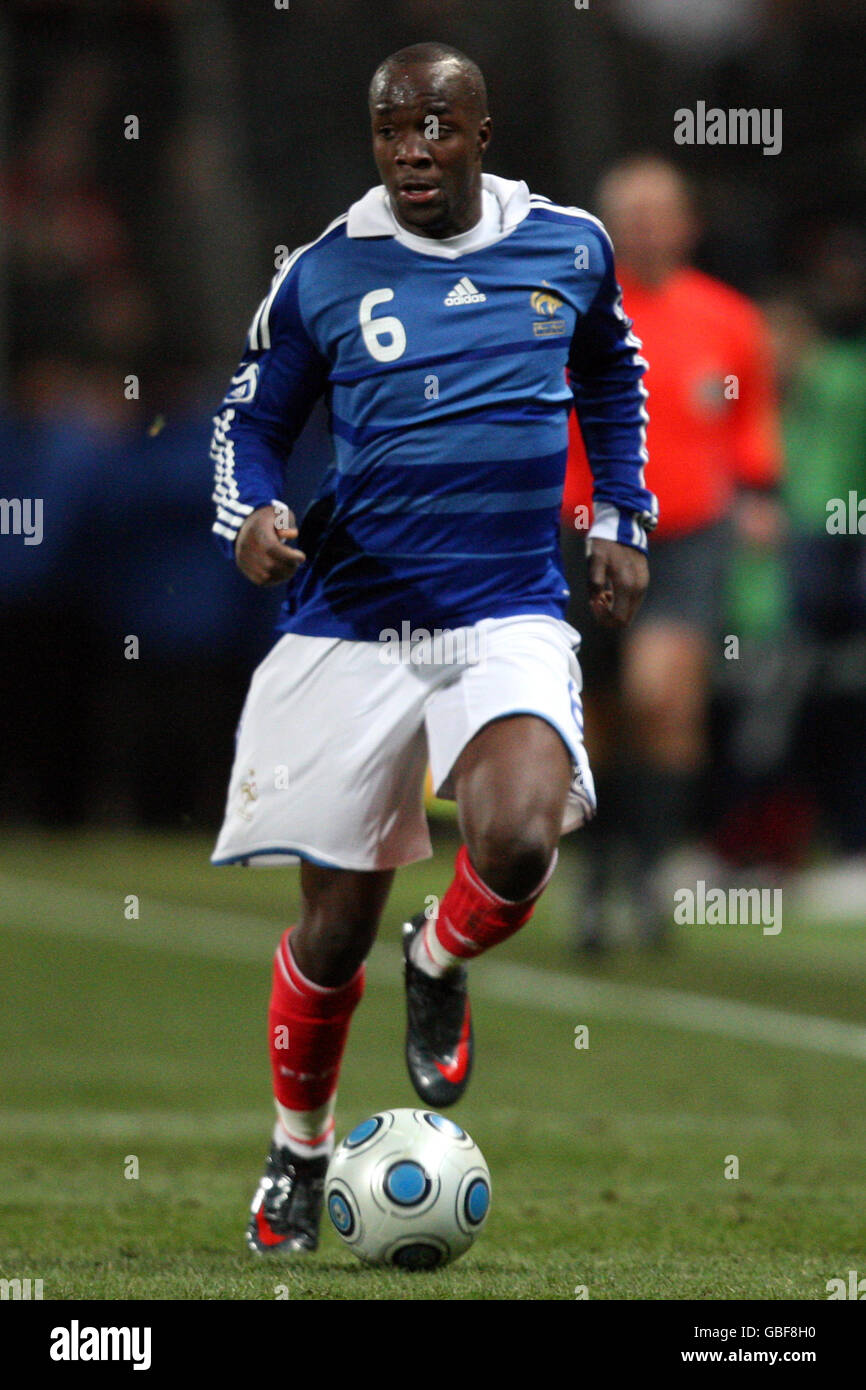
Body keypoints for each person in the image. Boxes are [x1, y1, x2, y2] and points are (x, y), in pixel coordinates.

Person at [209, 43, 656, 1255]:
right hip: (354, 621)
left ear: (480, 131)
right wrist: (250, 511)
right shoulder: (325, 271)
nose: (412, 148)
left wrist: (617, 513)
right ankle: (300, 1152)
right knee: (331, 928)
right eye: (391, 129)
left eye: (435, 126)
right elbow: (251, 418)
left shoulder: (565, 246)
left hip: (504, 607)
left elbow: (610, 372)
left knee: (516, 835)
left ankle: (442, 952)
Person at [561, 155, 782, 949]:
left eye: (662, 212)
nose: (648, 226)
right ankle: (597, 882)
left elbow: (751, 420)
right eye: (633, 212)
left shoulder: (729, 320)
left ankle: (651, 875)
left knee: (663, 698)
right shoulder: (568, 310)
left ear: (687, 225)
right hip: (580, 533)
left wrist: (759, 494)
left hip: (684, 533)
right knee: (595, 717)